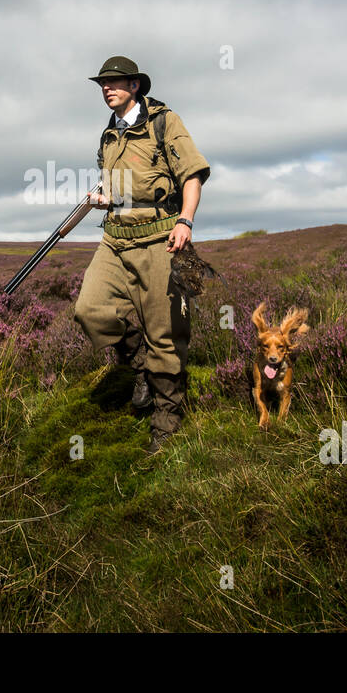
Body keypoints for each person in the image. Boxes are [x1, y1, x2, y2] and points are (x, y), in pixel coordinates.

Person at [72, 56, 211, 454]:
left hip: (160, 237)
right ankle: (140, 365)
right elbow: (120, 187)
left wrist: (185, 221)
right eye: (102, 83)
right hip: (115, 238)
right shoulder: (108, 135)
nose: (106, 88)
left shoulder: (164, 121)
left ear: (135, 85)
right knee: (89, 311)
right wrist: (104, 198)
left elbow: (192, 175)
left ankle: (166, 421)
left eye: (114, 82)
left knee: (165, 335)